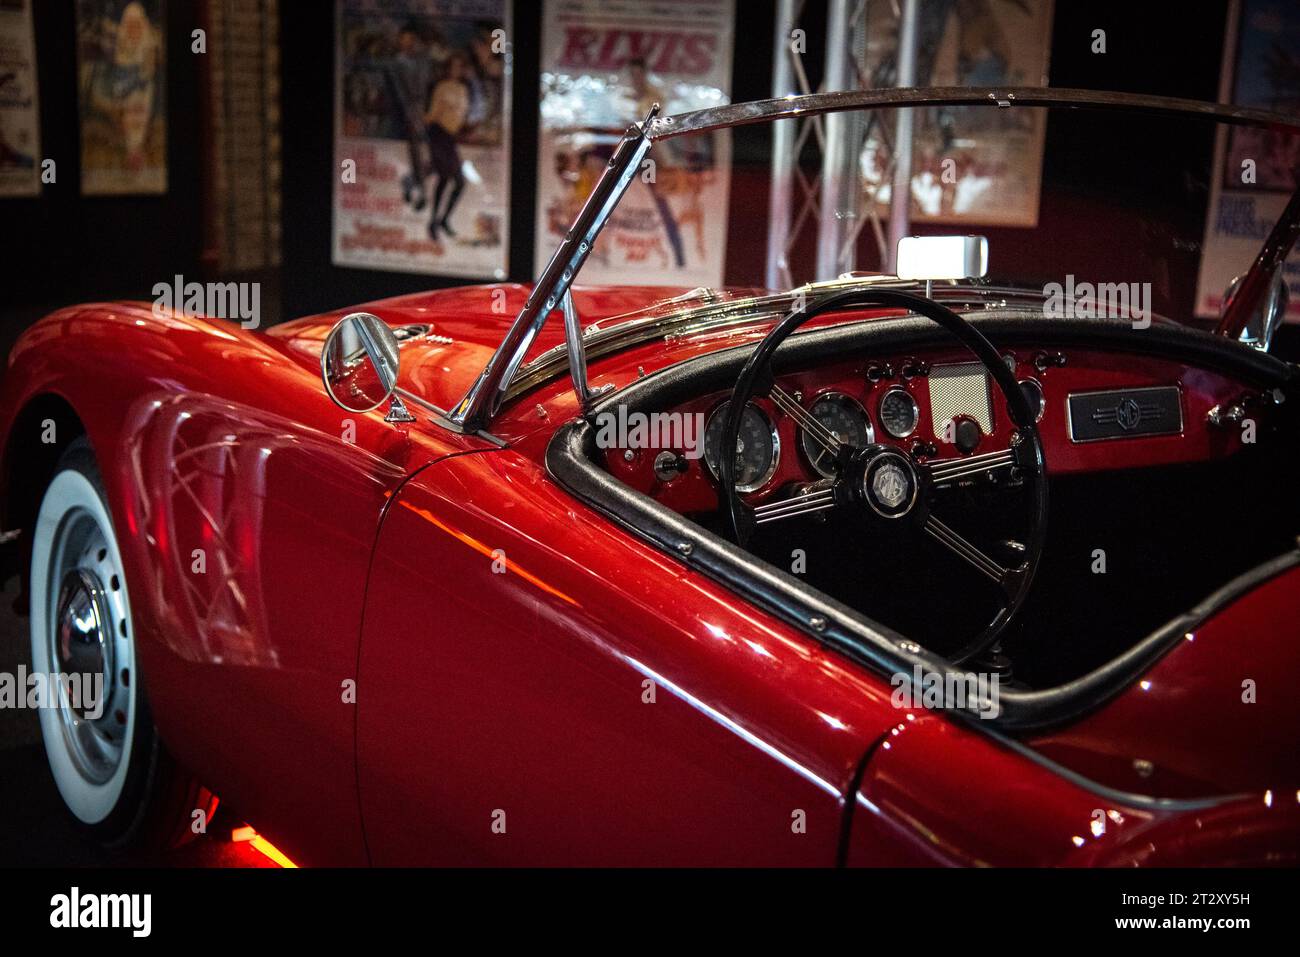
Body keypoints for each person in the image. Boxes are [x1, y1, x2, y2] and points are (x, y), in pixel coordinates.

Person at [424, 52, 471, 242]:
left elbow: (464, 113)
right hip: (439, 134)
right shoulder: (442, 87)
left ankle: (440, 220)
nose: (455, 70)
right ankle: (435, 221)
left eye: (459, 67)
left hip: (451, 137)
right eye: (453, 66)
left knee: (452, 180)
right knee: (449, 177)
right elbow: (433, 113)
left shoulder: (463, 89)